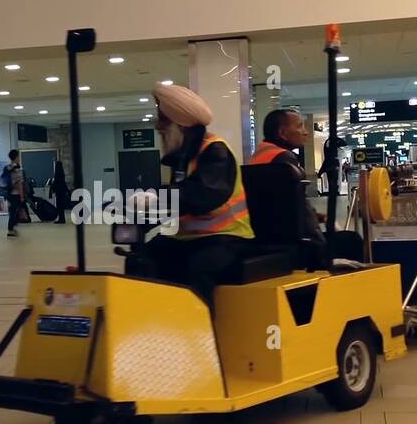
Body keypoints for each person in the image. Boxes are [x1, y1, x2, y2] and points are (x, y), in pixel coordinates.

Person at [137, 83, 254, 309]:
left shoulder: (215, 151)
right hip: (190, 239)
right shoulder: (183, 157)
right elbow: (177, 204)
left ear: (180, 124)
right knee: (143, 259)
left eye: (163, 120)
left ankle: (200, 335)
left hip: (227, 239)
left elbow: (204, 193)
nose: (157, 126)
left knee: (196, 270)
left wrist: (157, 197)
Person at [248, 108, 326, 238]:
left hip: (264, 235)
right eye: (300, 126)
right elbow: (297, 209)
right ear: (282, 133)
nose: (305, 132)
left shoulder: (258, 156)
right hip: (292, 240)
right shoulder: (284, 159)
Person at [3, 149, 26, 237]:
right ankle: (10, 229)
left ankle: (12, 228)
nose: (19, 158)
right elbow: (20, 183)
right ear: (16, 157)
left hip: (8, 193)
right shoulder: (17, 169)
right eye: (18, 156)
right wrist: (22, 196)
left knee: (12, 211)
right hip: (15, 194)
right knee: (14, 212)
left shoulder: (7, 167)